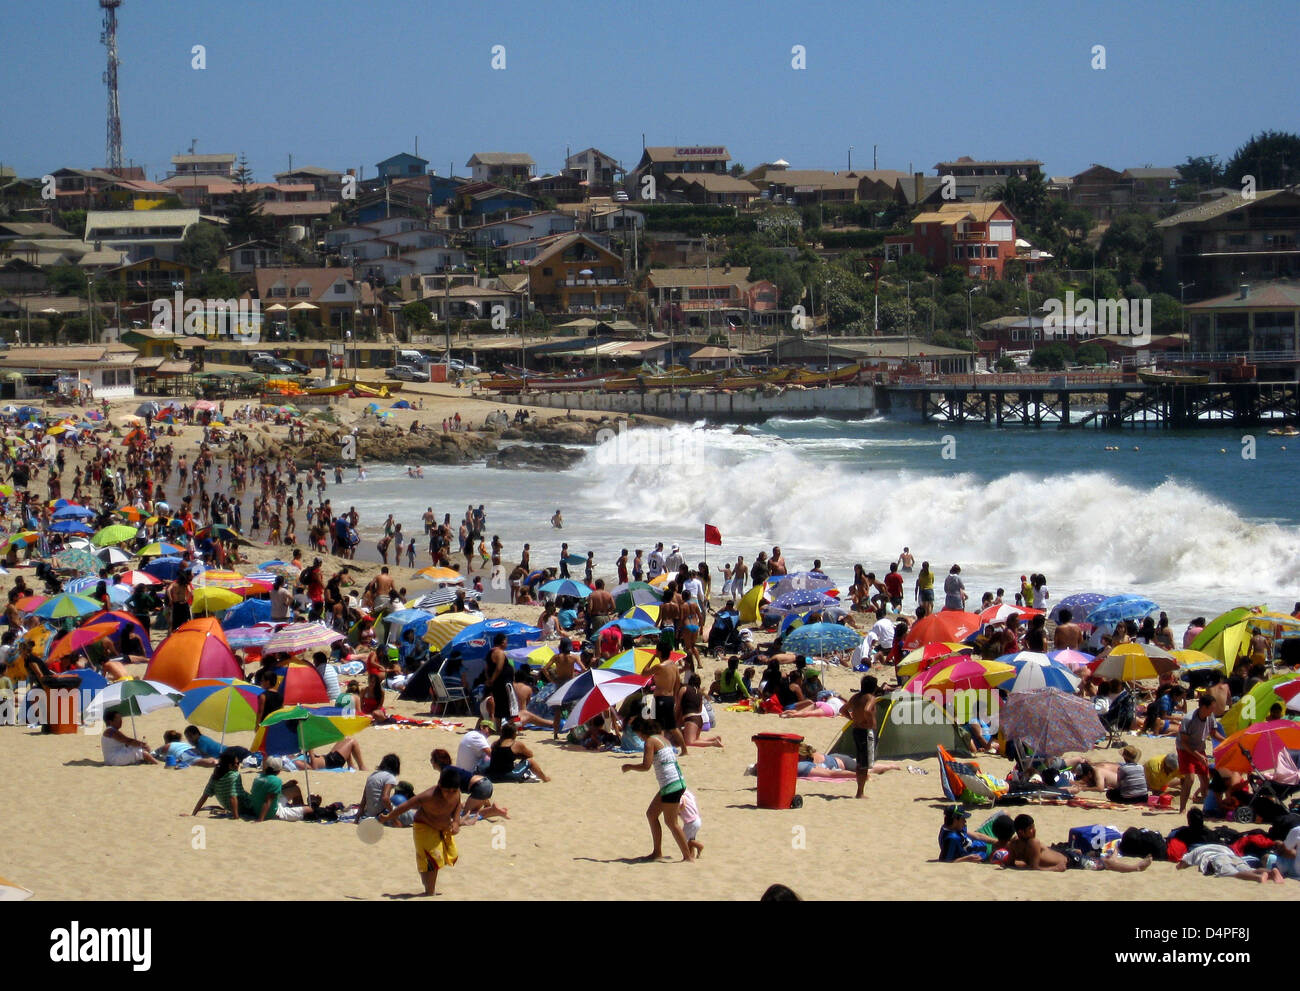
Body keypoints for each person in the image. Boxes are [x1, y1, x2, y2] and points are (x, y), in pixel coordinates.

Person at [379, 767, 463, 896]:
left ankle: (428, 887)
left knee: (439, 858)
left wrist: (456, 822)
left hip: (442, 828)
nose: (450, 793)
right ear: (440, 785)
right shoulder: (428, 796)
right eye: (447, 791)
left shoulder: (457, 793)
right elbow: (405, 806)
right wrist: (388, 817)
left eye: (453, 790)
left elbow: (458, 805)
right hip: (424, 827)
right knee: (433, 858)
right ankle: (430, 892)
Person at [621, 716, 694, 862]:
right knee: (652, 814)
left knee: (671, 822)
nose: (639, 738)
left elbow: (646, 766)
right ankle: (657, 852)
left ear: (642, 731)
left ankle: (687, 856)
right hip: (675, 782)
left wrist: (629, 767)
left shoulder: (650, 741)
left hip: (671, 785)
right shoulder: (662, 739)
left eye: (638, 734)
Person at [1003, 814, 1151, 873]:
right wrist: (1055, 868)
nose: (1034, 831)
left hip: (1067, 855)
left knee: (1099, 859)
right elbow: (1034, 868)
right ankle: (1136, 867)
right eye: (1030, 829)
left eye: (1034, 828)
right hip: (1072, 861)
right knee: (1105, 864)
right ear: (1021, 832)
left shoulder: (1014, 843)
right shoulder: (1032, 843)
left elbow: (1010, 864)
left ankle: (1114, 855)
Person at [430, 748, 509, 822]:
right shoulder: (451, 768)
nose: (431, 762)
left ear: (436, 762)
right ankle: (490, 808)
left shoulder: (445, 772)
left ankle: (492, 811)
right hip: (485, 783)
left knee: (465, 816)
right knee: (470, 809)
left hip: (479, 787)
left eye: (432, 760)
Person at [1177, 694, 1223, 814]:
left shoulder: (1210, 716)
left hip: (1199, 747)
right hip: (1185, 749)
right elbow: (1184, 743)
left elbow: (1213, 733)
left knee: (1205, 778)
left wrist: (1226, 741)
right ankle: (1182, 808)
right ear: (1203, 707)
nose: (1213, 711)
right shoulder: (1189, 719)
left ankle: (1206, 807)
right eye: (1211, 708)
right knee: (1190, 779)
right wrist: (1198, 756)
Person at [843, 675, 879, 799]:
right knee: (864, 764)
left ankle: (860, 791)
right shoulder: (871, 697)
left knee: (860, 762)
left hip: (856, 730)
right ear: (874, 687)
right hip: (866, 731)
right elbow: (867, 710)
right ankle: (860, 793)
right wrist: (870, 722)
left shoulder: (855, 697)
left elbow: (843, 710)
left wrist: (853, 719)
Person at [191, 751, 252, 817]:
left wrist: (193, 814)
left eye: (238, 762)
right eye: (236, 763)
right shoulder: (234, 775)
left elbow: (204, 796)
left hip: (230, 808)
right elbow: (233, 797)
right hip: (246, 807)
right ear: (229, 765)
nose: (238, 765)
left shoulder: (215, 776)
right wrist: (236, 816)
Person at [486, 723, 550, 783]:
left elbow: (501, 757)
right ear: (514, 734)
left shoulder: (495, 744)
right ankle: (545, 778)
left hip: (492, 776)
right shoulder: (516, 744)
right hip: (508, 776)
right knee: (530, 761)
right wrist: (519, 755)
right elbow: (530, 754)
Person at [360, 753, 412, 825]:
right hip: (381, 815)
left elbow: (364, 799)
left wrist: (357, 818)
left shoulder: (371, 776)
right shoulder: (389, 777)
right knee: (411, 815)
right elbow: (385, 798)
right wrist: (395, 819)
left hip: (369, 815)